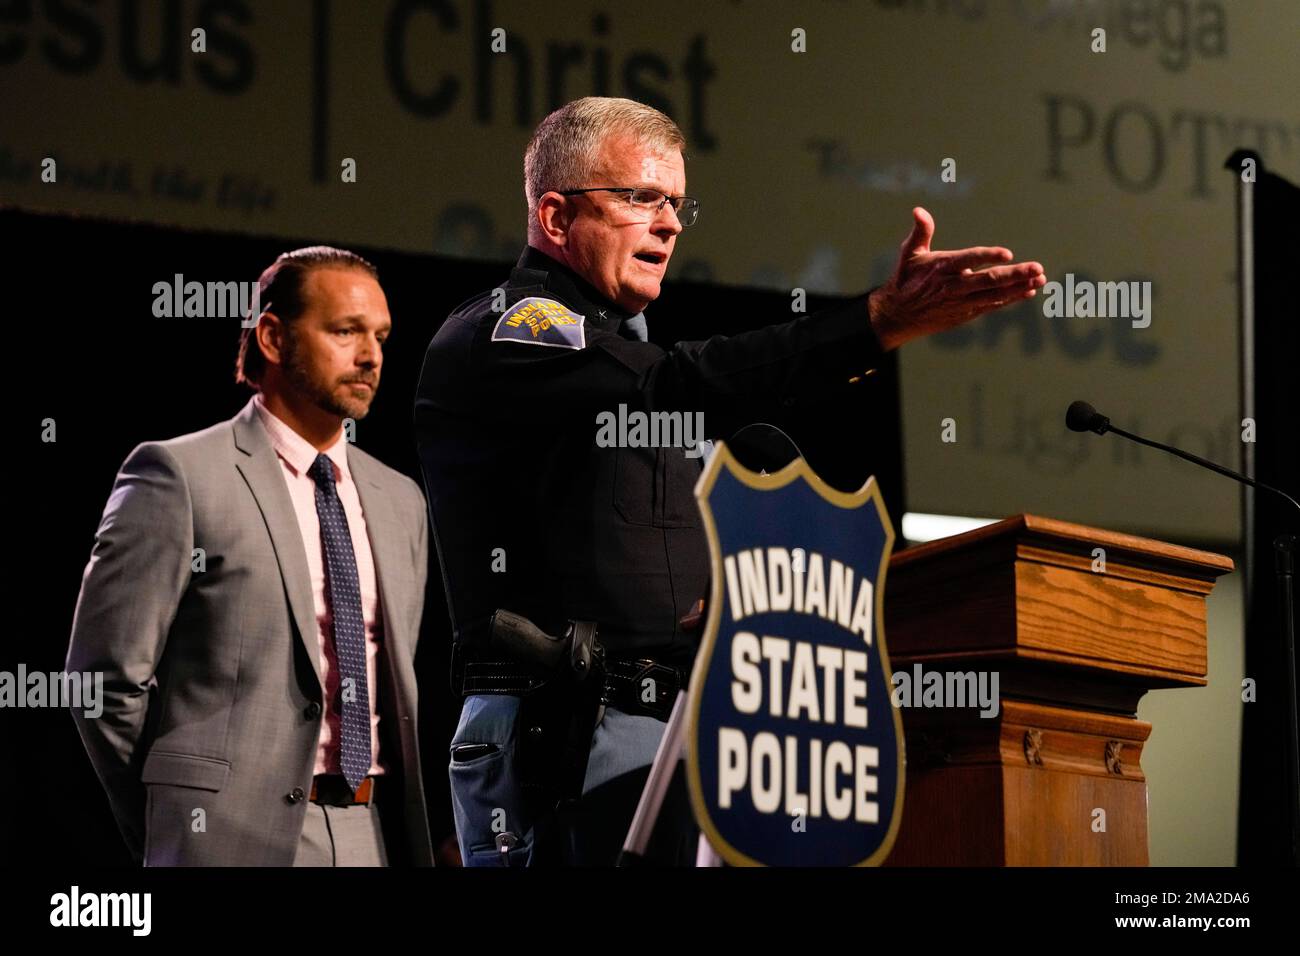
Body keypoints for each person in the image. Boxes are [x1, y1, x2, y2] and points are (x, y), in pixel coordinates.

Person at [415, 97, 1044, 866]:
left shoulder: (630, 364)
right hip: (559, 732)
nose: (671, 224)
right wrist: (874, 323)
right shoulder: (513, 329)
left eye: (677, 203)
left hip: (684, 725)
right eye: (641, 197)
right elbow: (678, 384)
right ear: (555, 215)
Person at [67, 246, 435, 866]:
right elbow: (101, 682)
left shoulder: (400, 500)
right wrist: (175, 824)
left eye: (380, 336)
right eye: (344, 331)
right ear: (271, 335)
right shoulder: (179, 475)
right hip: (227, 839)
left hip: (375, 832)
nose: (370, 355)